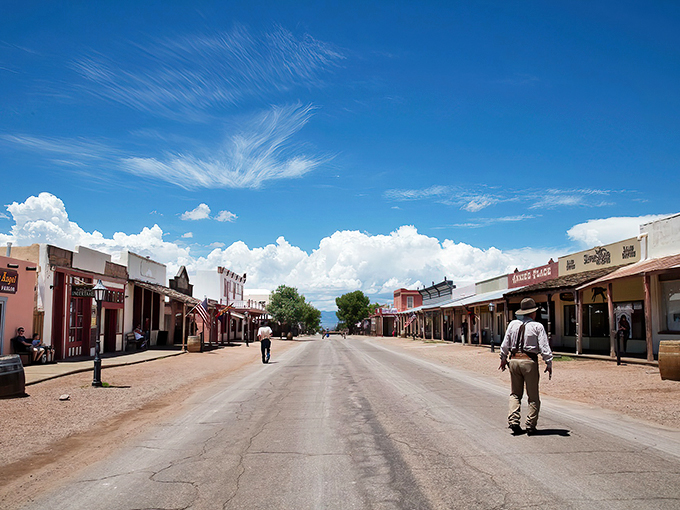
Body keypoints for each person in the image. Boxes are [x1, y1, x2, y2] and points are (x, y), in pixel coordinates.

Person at [499, 298, 553, 435]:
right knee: (533, 396)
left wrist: (503, 358)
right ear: (533, 313)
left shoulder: (512, 325)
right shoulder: (537, 326)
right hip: (529, 361)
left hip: (514, 360)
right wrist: (548, 362)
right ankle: (530, 424)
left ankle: (513, 421)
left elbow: (505, 344)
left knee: (515, 394)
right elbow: (544, 346)